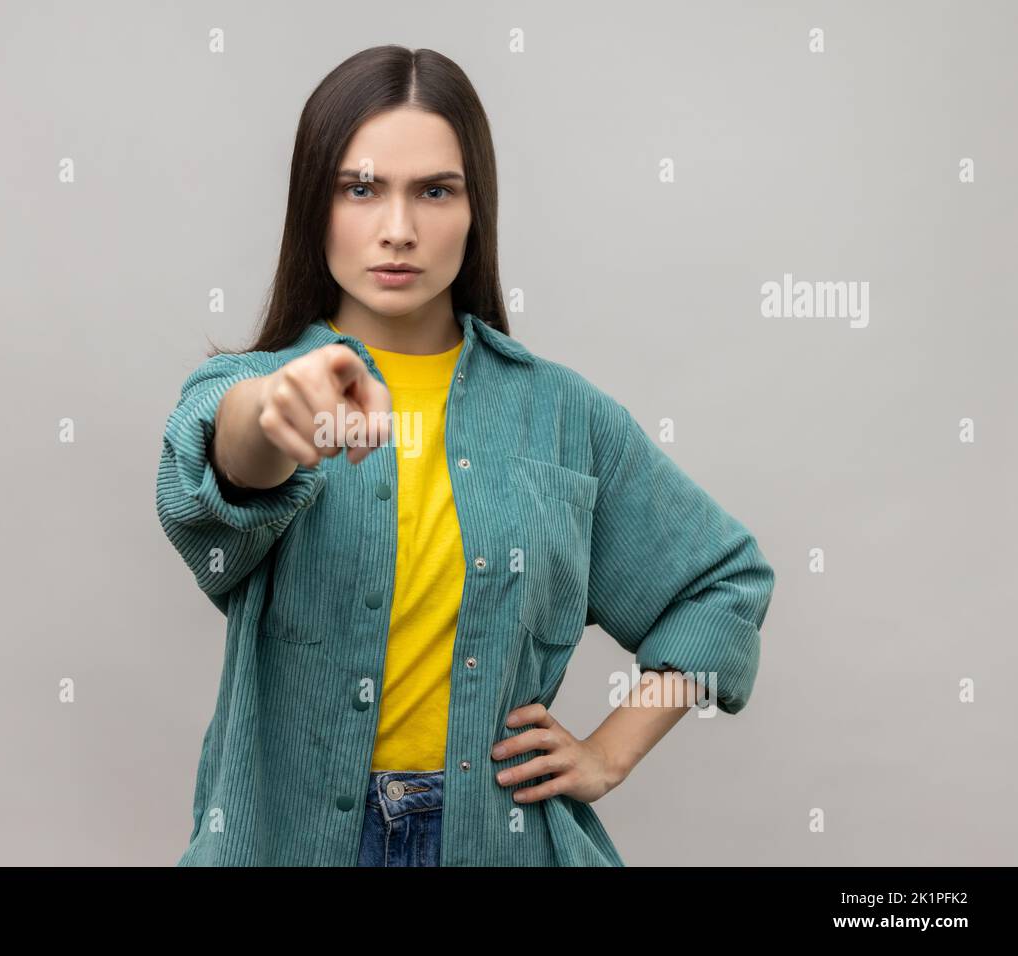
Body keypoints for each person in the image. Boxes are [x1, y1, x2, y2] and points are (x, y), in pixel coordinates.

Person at [156, 45, 776, 867]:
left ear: (475, 207)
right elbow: (222, 466)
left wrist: (609, 749)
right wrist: (271, 414)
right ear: (316, 204)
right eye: (361, 188)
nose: (399, 228)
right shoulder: (251, 389)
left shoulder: (562, 414)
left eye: (436, 191)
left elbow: (723, 585)